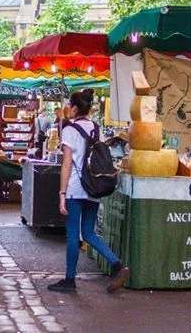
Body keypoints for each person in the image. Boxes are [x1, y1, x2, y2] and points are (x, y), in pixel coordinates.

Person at [47, 89, 129, 294]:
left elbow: (66, 164)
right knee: (90, 233)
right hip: (93, 186)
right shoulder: (96, 128)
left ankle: (69, 279)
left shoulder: (69, 130)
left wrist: (62, 194)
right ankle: (117, 264)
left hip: (75, 188)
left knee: (73, 235)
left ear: (74, 108)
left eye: (70, 105)